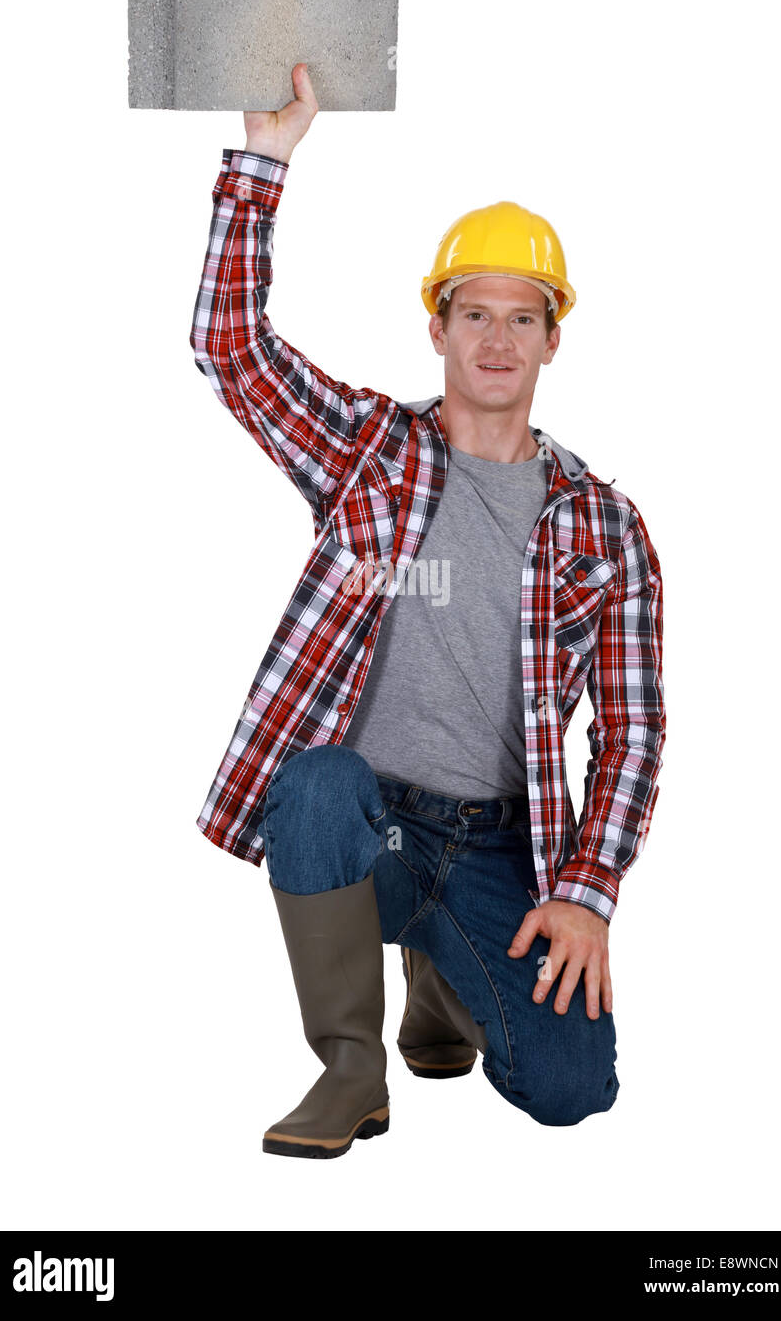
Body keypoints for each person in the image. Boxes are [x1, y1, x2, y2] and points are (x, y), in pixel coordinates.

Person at [189, 63, 666, 1159]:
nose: (494, 339)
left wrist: (585, 894)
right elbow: (229, 348)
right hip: (371, 822)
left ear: (553, 339)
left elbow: (631, 730)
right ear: (436, 328)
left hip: (504, 843)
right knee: (310, 781)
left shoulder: (606, 526)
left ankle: (440, 978)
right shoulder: (369, 453)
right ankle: (350, 1066)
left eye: (521, 317)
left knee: (568, 1091)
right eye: (471, 314)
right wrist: (264, 161)